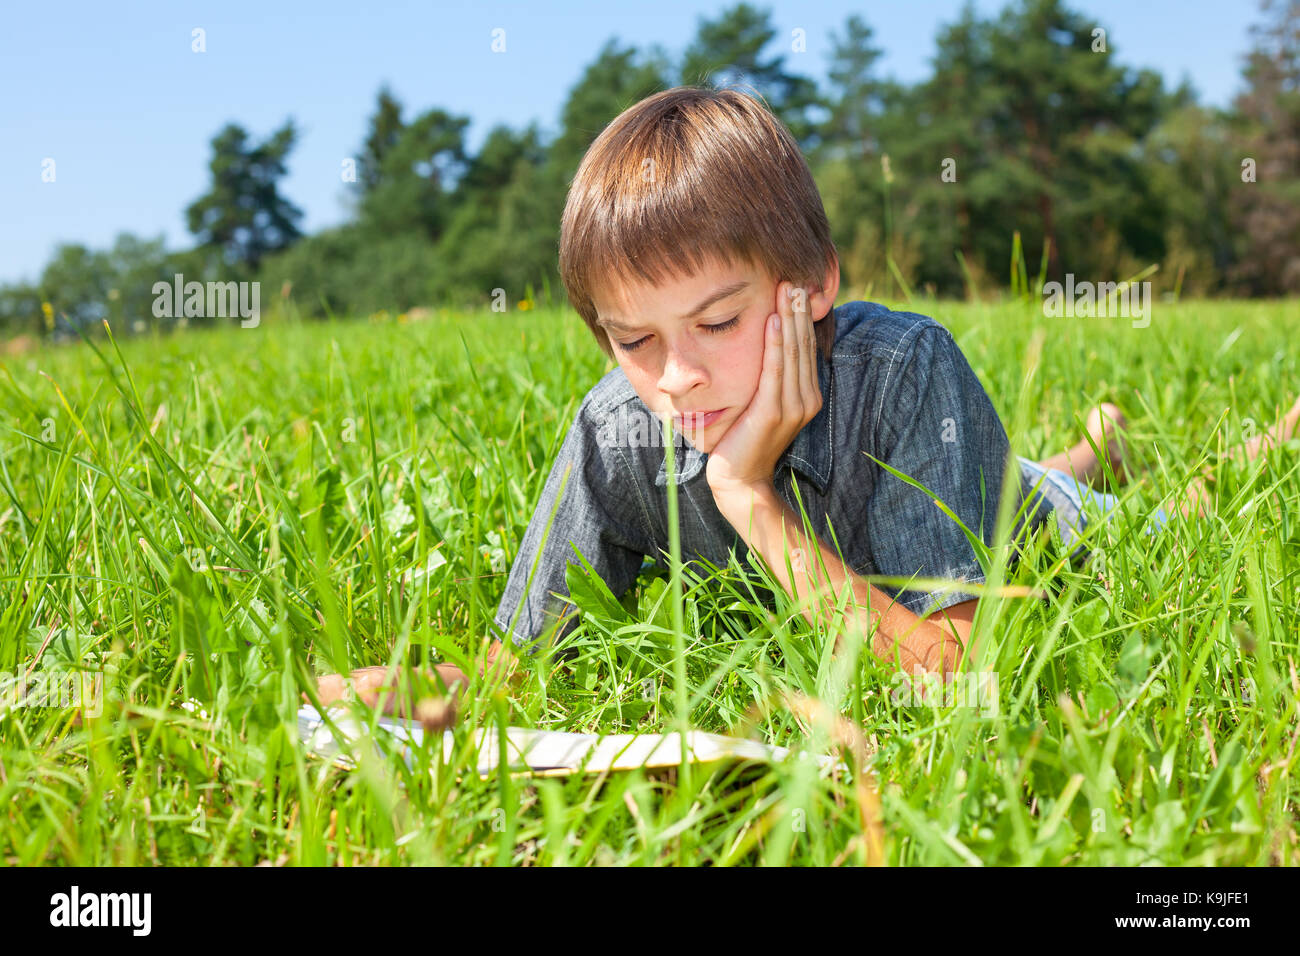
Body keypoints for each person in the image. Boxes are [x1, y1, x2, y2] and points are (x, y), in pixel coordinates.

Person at [306, 87, 1299, 719]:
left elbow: (949, 676)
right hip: (942, 491)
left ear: (813, 283)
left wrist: (749, 501)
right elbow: (517, 663)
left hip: (1017, 520)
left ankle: (1204, 450)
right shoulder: (616, 430)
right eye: (634, 339)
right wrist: (428, 695)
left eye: (718, 322)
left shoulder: (907, 367)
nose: (677, 376)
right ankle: (1089, 443)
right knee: (1049, 466)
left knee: (1161, 521)